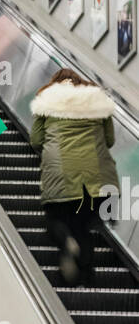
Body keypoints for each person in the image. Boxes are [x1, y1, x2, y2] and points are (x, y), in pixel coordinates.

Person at [29, 68, 117, 285]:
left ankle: (67, 242)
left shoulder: (46, 102)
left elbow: (36, 140)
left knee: (54, 220)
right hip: (97, 179)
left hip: (61, 176)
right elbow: (110, 140)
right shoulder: (98, 102)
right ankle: (87, 281)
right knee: (83, 227)